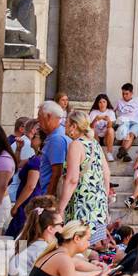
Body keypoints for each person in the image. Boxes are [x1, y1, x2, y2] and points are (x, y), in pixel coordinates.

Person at [57, 111, 112, 248]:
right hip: (98, 204)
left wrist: (61, 208)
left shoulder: (76, 145)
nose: (65, 126)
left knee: (78, 247)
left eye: (67, 124)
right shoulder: (95, 145)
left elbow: (72, 180)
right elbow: (107, 174)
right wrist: (103, 199)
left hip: (81, 203)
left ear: (74, 126)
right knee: (95, 246)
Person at [7, 201, 59, 276]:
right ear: (50, 228)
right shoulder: (42, 248)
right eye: (61, 224)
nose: (64, 227)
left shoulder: (33, 241)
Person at [7, 128, 44, 238]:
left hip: (29, 202)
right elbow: (17, 164)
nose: (31, 137)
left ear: (42, 141)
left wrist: (16, 206)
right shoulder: (34, 157)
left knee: (19, 233)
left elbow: (30, 186)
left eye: (35, 136)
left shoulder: (37, 161)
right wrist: (19, 149)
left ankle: (19, 254)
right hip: (26, 201)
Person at [37, 100, 69, 199]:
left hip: (52, 197)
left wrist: (47, 200)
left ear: (48, 117)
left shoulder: (57, 139)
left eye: (39, 116)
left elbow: (57, 173)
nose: (38, 120)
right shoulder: (57, 135)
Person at [114, 84, 138, 162]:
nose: (124, 96)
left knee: (131, 135)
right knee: (126, 134)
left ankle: (122, 151)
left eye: (126, 94)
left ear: (131, 93)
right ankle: (125, 153)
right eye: (123, 93)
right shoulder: (118, 101)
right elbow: (112, 112)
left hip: (136, 123)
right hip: (124, 123)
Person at [87, 94, 117, 161]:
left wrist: (109, 120)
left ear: (107, 103)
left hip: (106, 138)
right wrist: (95, 119)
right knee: (92, 130)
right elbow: (90, 127)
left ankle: (109, 153)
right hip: (96, 137)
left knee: (111, 130)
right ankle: (95, 152)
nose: (102, 104)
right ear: (97, 103)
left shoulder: (110, 112)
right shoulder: (93, 112)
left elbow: (110, 127)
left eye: (104, 102)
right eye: (100, 102)